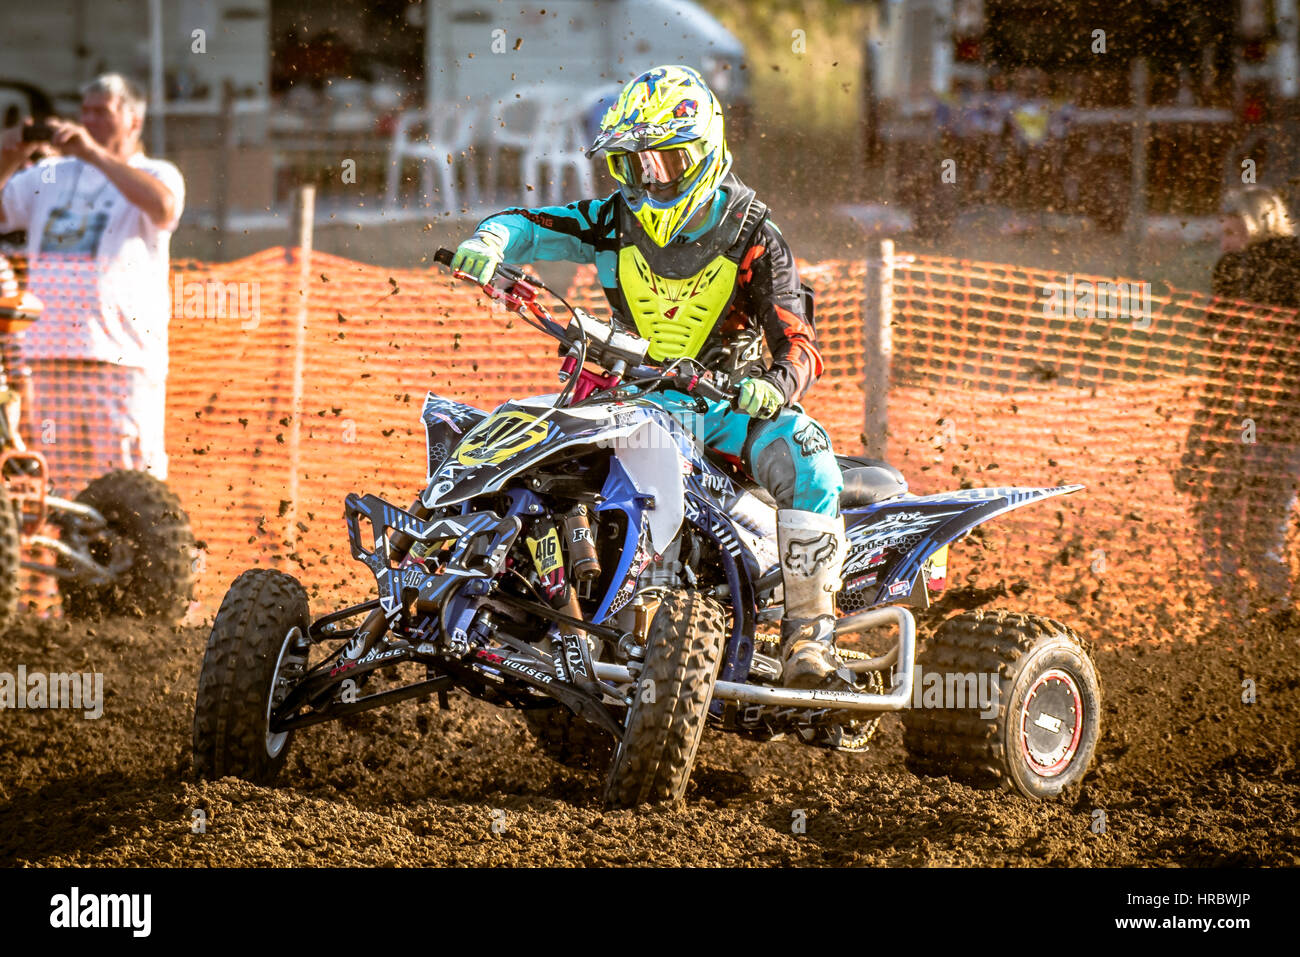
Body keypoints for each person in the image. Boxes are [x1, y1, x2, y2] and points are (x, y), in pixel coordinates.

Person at [451, 65, 850, 689]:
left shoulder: (753, 235)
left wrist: (775, 385)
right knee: (528, 444)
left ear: (705, 151)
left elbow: (798, 342)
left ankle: (808, 637)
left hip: (727, 405)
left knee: (810, 454)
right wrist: (490, 239)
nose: (651, 179)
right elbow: (531, 224)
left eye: (665, 160)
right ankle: (500, 591)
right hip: (628, 399)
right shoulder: (613, 220)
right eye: (634, 164)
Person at [0, 73, 183, 496]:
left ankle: (153, 560)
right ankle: (75, 561)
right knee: (62, 488)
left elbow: (163, 207)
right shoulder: (51, 175)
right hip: (48, 356)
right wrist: (12, 150)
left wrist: (94, 153)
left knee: (132, 487)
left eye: (102, 111)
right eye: (84, 111)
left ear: (134, 121)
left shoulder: (155, 172)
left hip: (119, 357)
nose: (88, 120)